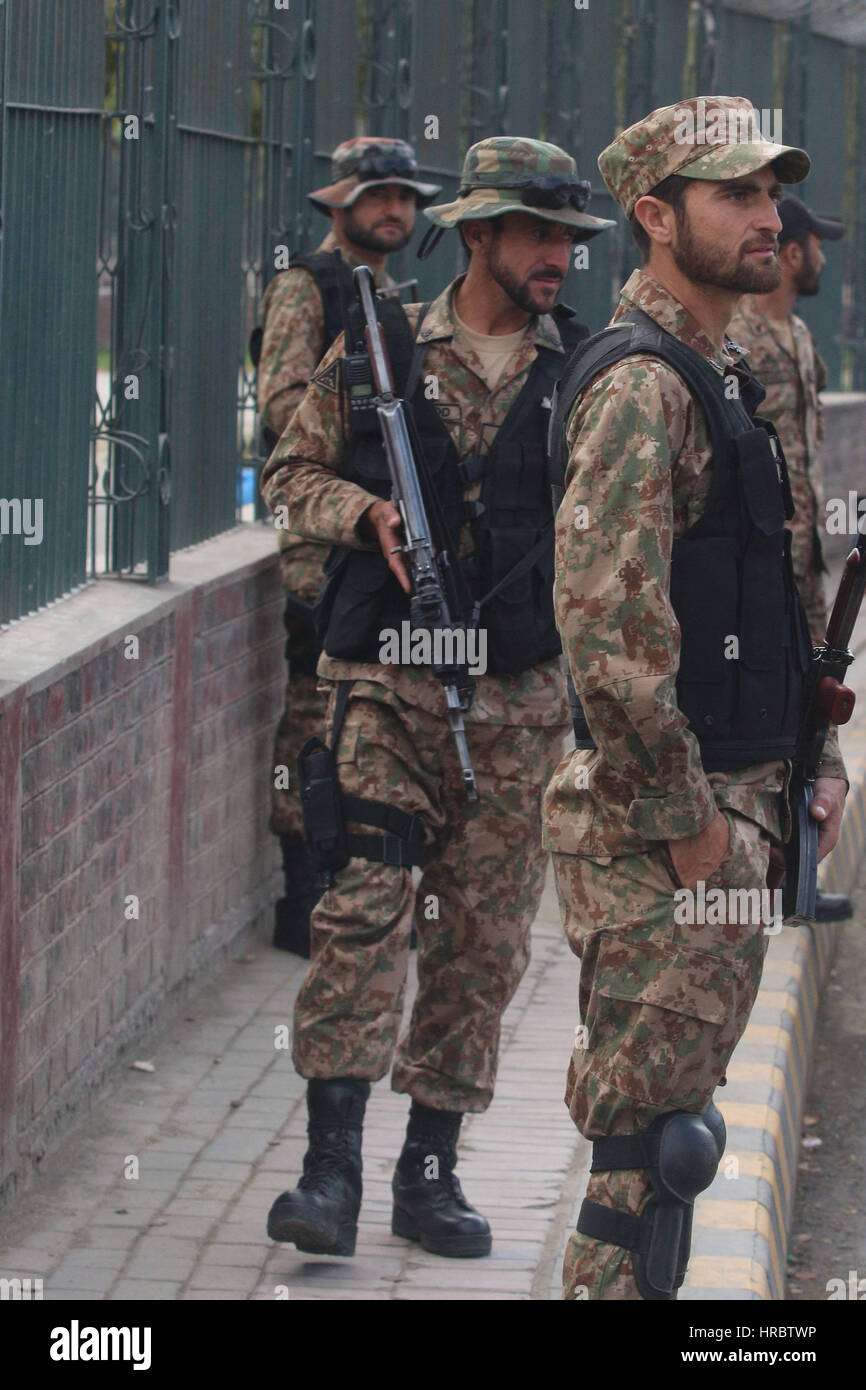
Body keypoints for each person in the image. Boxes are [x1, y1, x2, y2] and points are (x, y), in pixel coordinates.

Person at [260, 136, 614, 1259]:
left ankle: (429, 1168)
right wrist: (365, 514)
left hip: (513, 702)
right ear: (477, 237)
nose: (557, 256)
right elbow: (289, 474)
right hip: (385, 687)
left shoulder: (587, 374)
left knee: (480, 940)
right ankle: (329, 1170)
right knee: (363, 908)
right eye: (537, 234)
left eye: (567, 238)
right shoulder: (380, 352)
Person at [543, 96, 848, 1300]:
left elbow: (773, 592)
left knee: (670, 1140)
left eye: (770, 193)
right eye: (735, 195)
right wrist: (690, 825)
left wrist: (802, 766)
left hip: (729, 808)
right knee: (646, 1153)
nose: (767, 217)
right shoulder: (642, 386)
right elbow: (606, 637)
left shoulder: (721, 368)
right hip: (665, 835)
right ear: (654, 217)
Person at [256, 138, 441, 956]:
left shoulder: (398, 297)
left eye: (405, 196)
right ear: (342, 204)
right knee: (312, 707)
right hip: (323, 537)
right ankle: (302, 890)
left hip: (386, 536)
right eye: (379, 196)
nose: (395, 209)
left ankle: (362, 881)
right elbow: (283, 407)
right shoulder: (310, 284)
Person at [729, 194, 850, 921]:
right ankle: (770, 866)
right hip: (763, 561)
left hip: (805, 565)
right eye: (817, 245)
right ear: (792, 250)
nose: (825, 259)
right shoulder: (740, 337)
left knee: (814, 708)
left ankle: (796, 871)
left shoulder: (799, 336)